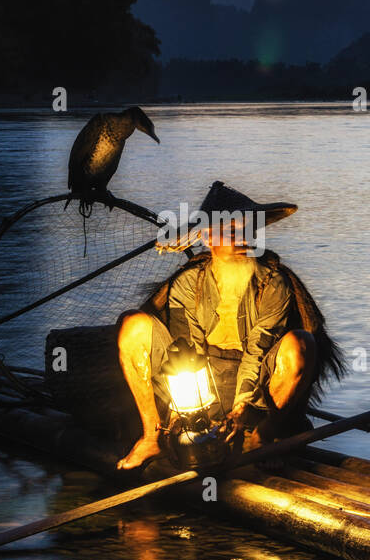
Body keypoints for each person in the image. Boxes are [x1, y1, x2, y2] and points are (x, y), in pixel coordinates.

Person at [116, 181, 345, 469]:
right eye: (233, 231)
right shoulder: (189, 281)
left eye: (248, 230)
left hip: (255, 384)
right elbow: (187, 350)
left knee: (301, 345)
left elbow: (258, 350)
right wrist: (184, 413)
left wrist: (242, 411)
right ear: (209, 238)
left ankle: (257, 438)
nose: (244, 239)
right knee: (133, 326)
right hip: (199, 382)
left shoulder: (273, 283)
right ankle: (152, 437)